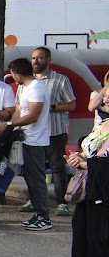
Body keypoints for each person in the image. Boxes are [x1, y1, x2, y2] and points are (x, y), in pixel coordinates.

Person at [60, 115, 109, 257]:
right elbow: (91, 153)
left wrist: (87, 164)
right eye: (105, 99)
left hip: (105, 186)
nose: (105, 101)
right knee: (82, 228)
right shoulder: (104, 123)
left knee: (102, 234)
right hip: (92, 183)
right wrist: (77, 158)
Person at [31, 47, 77, 216]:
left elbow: (71, 105)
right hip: (34, 132)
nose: (36, 61)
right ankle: (34, 200)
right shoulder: (28, 81)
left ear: (48, 60)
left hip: (55, 130)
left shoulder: (60, 80)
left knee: (57, 168)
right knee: (35, 169)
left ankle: (61, 202)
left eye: (40, 58)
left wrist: (52, 107)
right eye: (33, 58)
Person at [9, 57, 52, 231]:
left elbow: (33, 116)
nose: (13, 77)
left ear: (17, 74)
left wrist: (10, 124)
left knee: (36, 179)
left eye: (12, 74)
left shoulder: (36, 88)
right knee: (30, 179)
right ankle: (38, 213)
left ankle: (44, 217)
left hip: (36, 141)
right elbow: (20, 110)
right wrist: (10, 126)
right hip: (27, 139)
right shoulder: (27, 88)